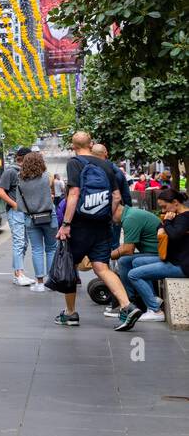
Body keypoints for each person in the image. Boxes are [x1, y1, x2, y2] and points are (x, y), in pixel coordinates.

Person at [56, 131, 142, 330]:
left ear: (73, 146)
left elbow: (74, 193)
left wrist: (66, 224)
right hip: (102, 226)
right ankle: (127, 306)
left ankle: (70, 314)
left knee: (70, 266)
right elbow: (117, 196)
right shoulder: (106, 165)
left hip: (79, 226)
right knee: (102, 267)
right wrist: (106, 217)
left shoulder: (75, 163)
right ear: (91, 143)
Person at [123, 188, 189, 324]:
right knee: (137, 262)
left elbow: (175, 235)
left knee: (133, 274)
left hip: (181, 265)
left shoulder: (185, 217)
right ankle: (153, 300)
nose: (163, 211)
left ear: (175, 202)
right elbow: (161, 226)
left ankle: (155, 310)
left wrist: (167, 223)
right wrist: (164, 224)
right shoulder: (176, 215)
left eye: (164, 206)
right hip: (173, 259)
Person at [107, 198, 164, 318]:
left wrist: (105, 256)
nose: (110, 221)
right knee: (125, 261)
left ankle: (133, 302)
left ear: (115, 209)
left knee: (128, 261)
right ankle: (131, 301)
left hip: (159, 255)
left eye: (108, 217)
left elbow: (128, 249)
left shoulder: (130, 218)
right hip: (155, 253)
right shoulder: (131, 215)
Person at [18, 151, 58, 292]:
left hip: (31, 218)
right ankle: (52, 281)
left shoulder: (20, 181)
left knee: (37, 249)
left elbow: (19, 205)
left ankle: (39, 283)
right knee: (52, 248)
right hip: (49, 217)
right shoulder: (47, 177)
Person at [0, 146, 32, 287]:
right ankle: (19, 274)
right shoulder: (10, 171)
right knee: (19, 242)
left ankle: (19, 273)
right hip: (15, 212)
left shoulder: (24, 171)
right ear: (24, 158)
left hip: (24, 212)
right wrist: (14, 204)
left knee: (23, 243)